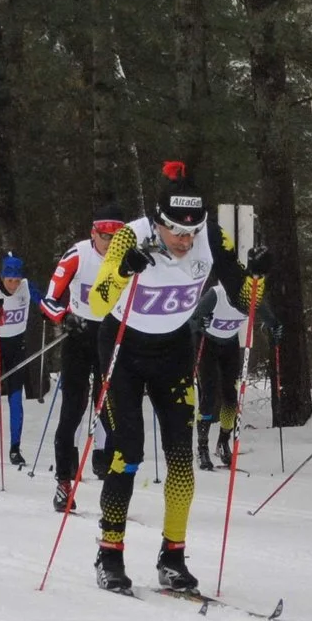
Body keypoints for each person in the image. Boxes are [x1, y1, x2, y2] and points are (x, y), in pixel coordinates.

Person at [81, 162, 252, 591]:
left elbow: (245, 297)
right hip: (123, 348)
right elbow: (99, 305)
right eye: (175, 231)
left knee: (181, 460)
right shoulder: (128, 236)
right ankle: (109, 553)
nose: (184, 241)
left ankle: (172, 555)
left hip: (174, 351)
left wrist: (259, 275)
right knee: (128, 453)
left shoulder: (211, 236)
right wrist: (122, 271)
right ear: (157, 222)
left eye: (191, 233)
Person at [40, 201, 127, 511]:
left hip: (111, 336)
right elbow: (48, 299)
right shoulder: (78, 254)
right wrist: (64, 318)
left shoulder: (128, 259)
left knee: (114, 410)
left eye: (117, 235)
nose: (110, 242)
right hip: (79, 335)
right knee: (74, 410)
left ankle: (109, 478)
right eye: (105, 235)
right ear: (94, 233)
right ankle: (64, 482)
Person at [193, 273, 271, 473]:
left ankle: (223, 442)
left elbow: (270, 317)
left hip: (229, 345)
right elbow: (192, 319)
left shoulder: (250, 297)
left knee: (230, 397)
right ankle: (202, 447)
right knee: (209, 394)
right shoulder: (216, 295)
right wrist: (200, 322)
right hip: (207, 343)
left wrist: (274, 327)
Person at [0, 253, 41, 469]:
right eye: (9, 280)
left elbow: (47, 304)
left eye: (16, 280)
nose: (13, 284)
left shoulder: (26, 287)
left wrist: (57, 314)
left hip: (16, 346)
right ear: (2, 277)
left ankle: (15, 449)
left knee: (15, 399)